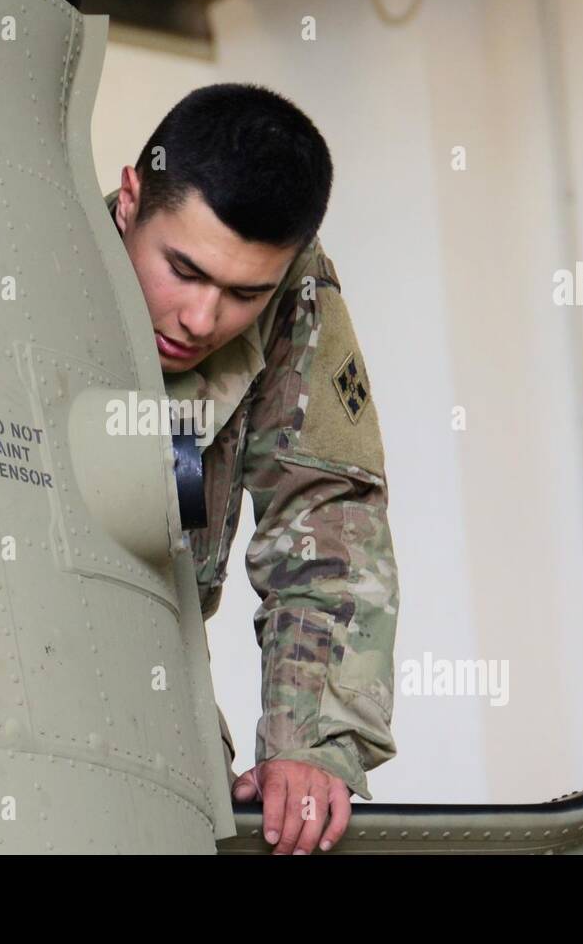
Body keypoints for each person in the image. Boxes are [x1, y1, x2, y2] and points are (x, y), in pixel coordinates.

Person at [105, 83, 399, 855]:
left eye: (243, 293)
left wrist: (308, 739)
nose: (202, 319)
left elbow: (326, 509)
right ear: (130, 200)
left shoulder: (292, 289)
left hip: (153, 694)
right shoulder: (12, 260)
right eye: (184, 270)